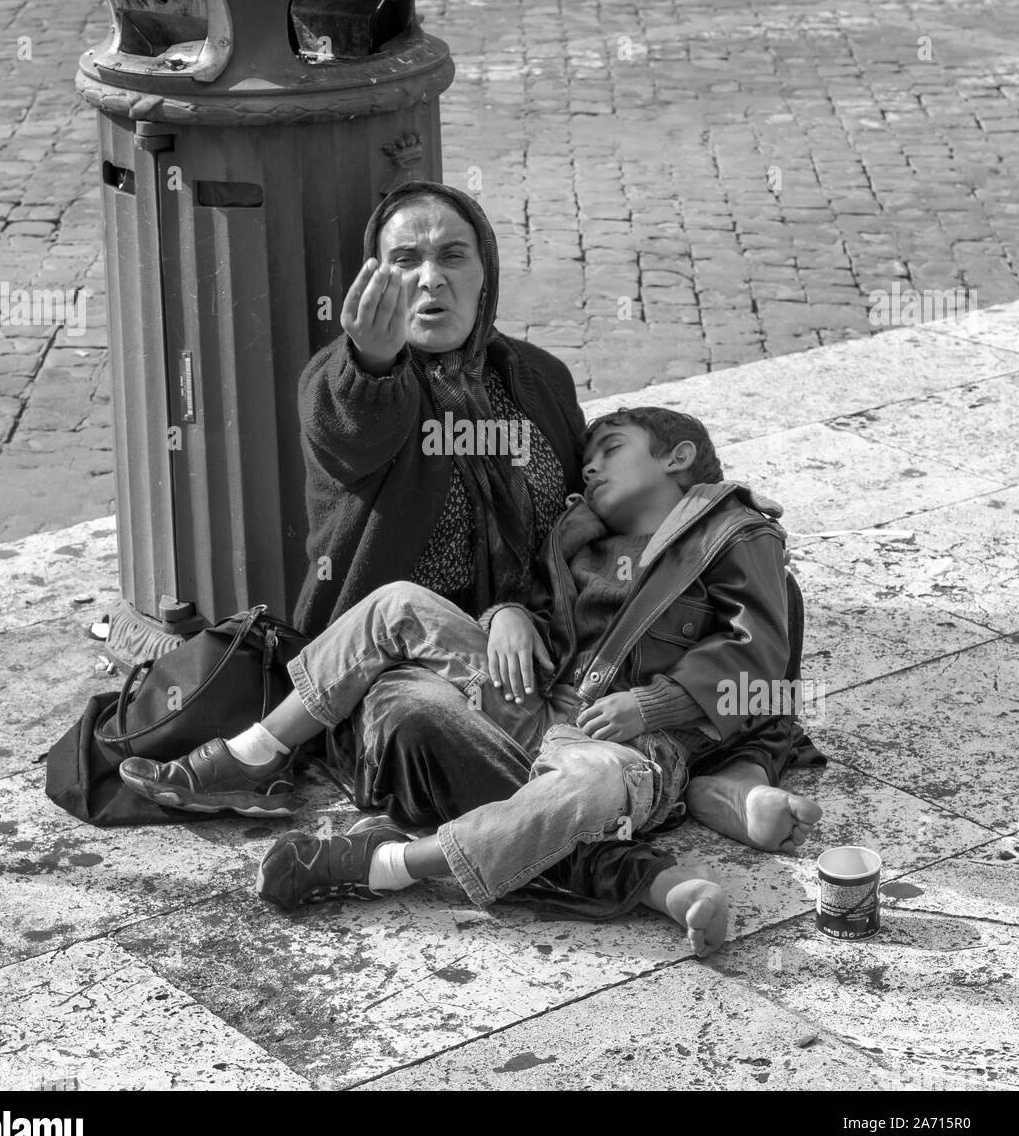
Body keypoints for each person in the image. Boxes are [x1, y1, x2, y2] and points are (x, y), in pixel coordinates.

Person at [141, 406, 823, 956]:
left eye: (610, 446)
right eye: (587, 455)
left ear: (676, 457)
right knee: (397, 603)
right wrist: (506, 617)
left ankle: (385, 864)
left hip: (627, 747)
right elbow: (528, 602)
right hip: (534, 699)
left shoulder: (736, 536)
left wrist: (653, 705)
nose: (590, 462)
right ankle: (252, 756)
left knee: (588, 786)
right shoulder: (576, 538)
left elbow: (758, 657)